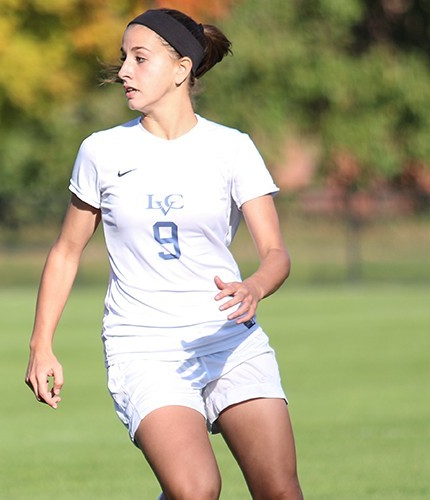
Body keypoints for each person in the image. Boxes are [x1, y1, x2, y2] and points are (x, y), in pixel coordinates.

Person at [25, 8, 303, 500]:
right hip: (145, 347)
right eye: (122, 59)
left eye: (139, 58)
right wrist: (41, 345)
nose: (124, 72)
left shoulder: (232, 149)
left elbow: (276, 253)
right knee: (196, 491)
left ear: (182, 70)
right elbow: (66, 252)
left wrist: (255, 286)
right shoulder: (101, 152)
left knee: (279, 492)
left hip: (228, 340)